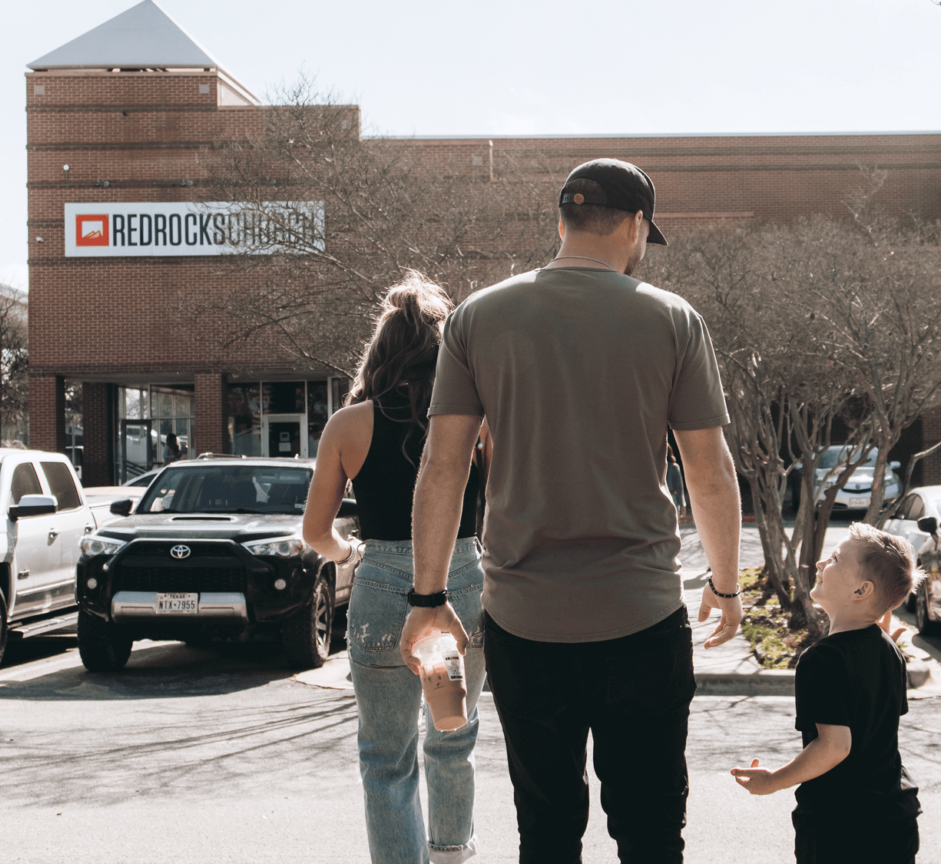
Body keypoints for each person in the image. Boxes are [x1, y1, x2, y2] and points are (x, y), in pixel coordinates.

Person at [403, 158, 744, 863]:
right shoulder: (672, 318)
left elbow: (443, 466)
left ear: (562, 221)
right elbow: (708, 471)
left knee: (548, 834)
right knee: (651, 832)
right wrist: (726, 583)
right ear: (637, 226)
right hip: (643, 618)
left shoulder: (478, 317)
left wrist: (428, 595)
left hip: (527, 624)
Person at [302, 274, 487, 864]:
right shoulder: (476, 422)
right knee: (451, 738)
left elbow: (315, 533)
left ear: (382, 348)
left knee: (386, 757)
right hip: (456, 590)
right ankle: (452, 855)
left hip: (384, 592)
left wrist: (349, 554)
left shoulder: (348, 424)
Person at [730, 522, 923, 863]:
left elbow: (835, 746)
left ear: (861, 591)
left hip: (842, 829)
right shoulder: (889, 651)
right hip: (895, 819)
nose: (820, 563)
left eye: (834, 559)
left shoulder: (822, 660)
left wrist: (774, 780)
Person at [666, 449, 686, 516]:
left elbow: (679, 487)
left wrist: (682, 504)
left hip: (672, 498)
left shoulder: (674, 467)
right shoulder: (657, 467)